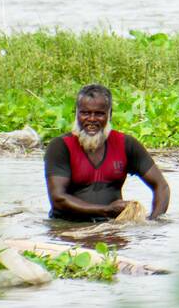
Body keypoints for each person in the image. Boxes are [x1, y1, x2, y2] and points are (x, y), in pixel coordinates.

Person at [45, 84, 170, 221]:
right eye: (85, 113)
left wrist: (154, 222)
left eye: (99, 114)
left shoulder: (127, 144)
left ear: (110, 115)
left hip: (112, 226)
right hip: (68, 228)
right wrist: (106, 210)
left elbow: (161, 186)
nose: (92, 119)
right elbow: (58, 199)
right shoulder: (60, 146)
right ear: (76, 113)